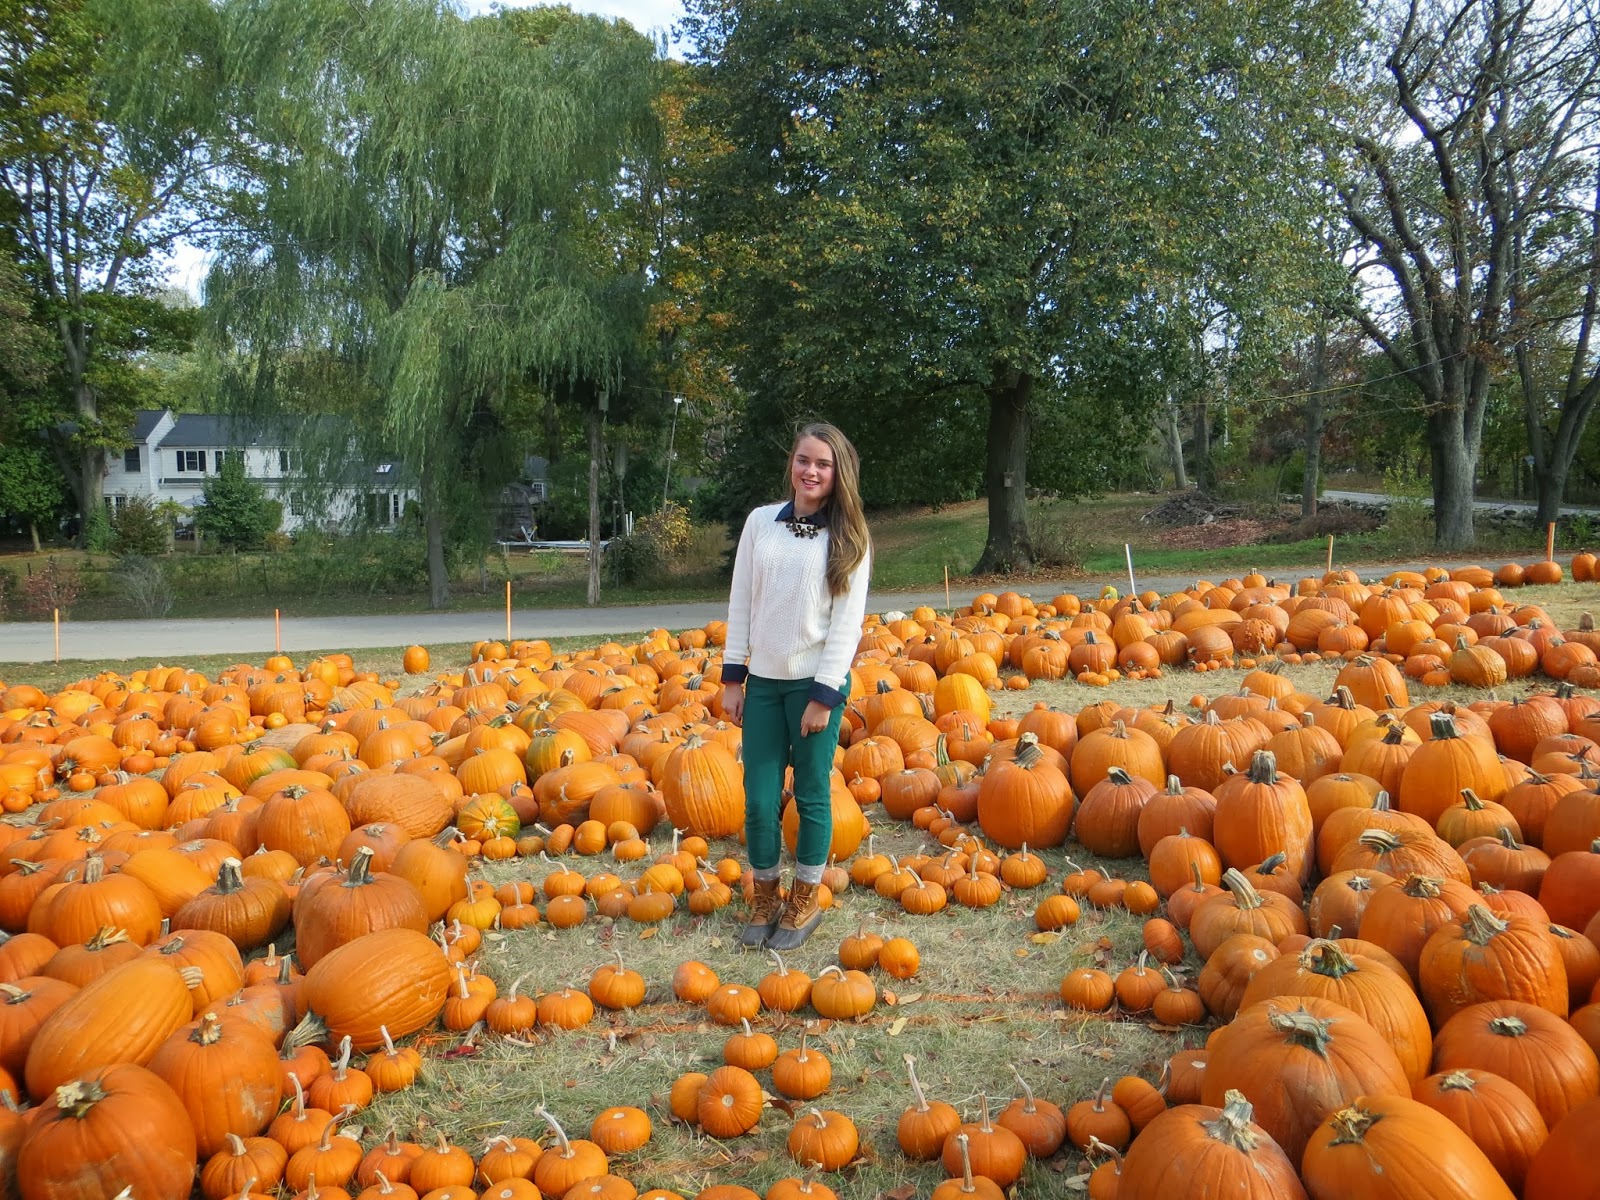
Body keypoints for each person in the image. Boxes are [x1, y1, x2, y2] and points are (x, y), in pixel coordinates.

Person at [720, 422, 872, 949]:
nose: (811, 471)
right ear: (792, 463)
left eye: (823, 464)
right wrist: (733, 676)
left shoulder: (849, 537)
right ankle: (764, 896)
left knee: (810, 794)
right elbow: (742, 600)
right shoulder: (761, 523)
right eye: (804, 460)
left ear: (837, 474)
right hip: (761, 683)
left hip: (813, 685)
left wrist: (824, 696)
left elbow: (847, 624)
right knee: (759, 800)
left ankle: (804, 899)